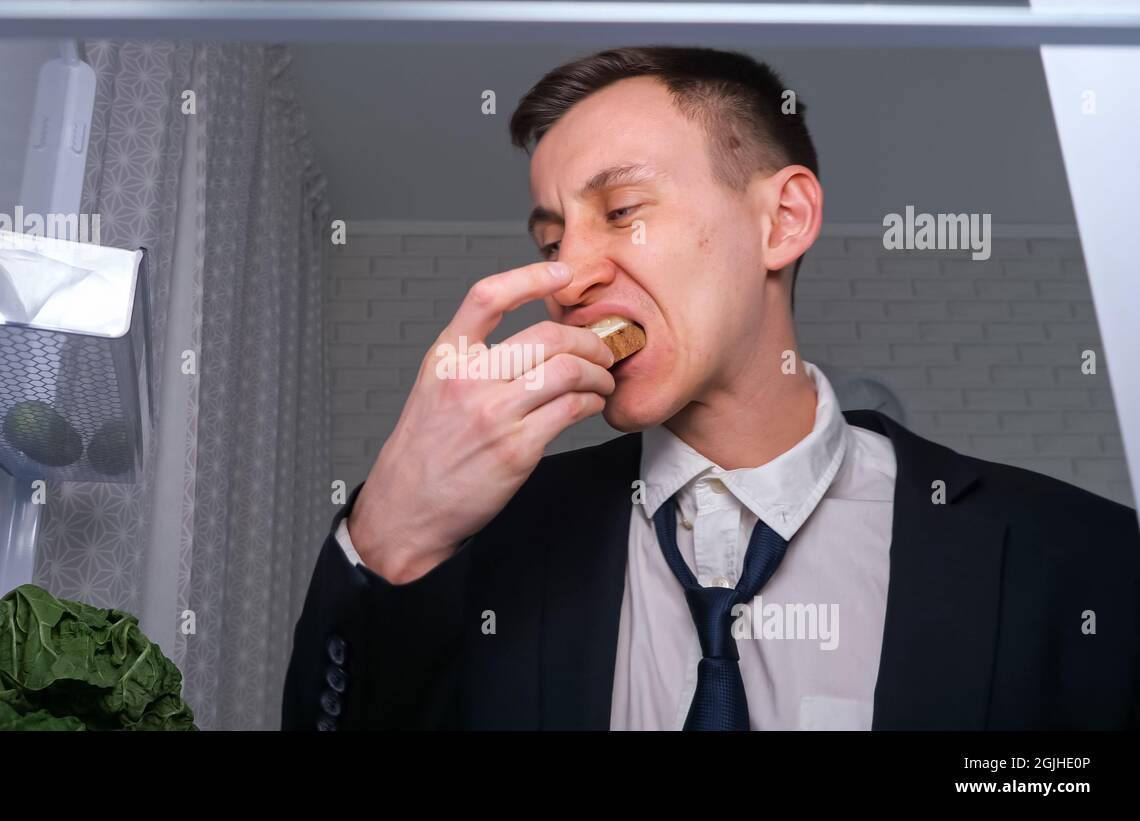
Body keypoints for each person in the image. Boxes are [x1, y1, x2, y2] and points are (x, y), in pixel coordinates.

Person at [282, 46, 1140, 731]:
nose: (567, 277)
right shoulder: (486, 547)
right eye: (551, 242)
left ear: (782, 220)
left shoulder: (1081, 553)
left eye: (621, 211)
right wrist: (389, 523)